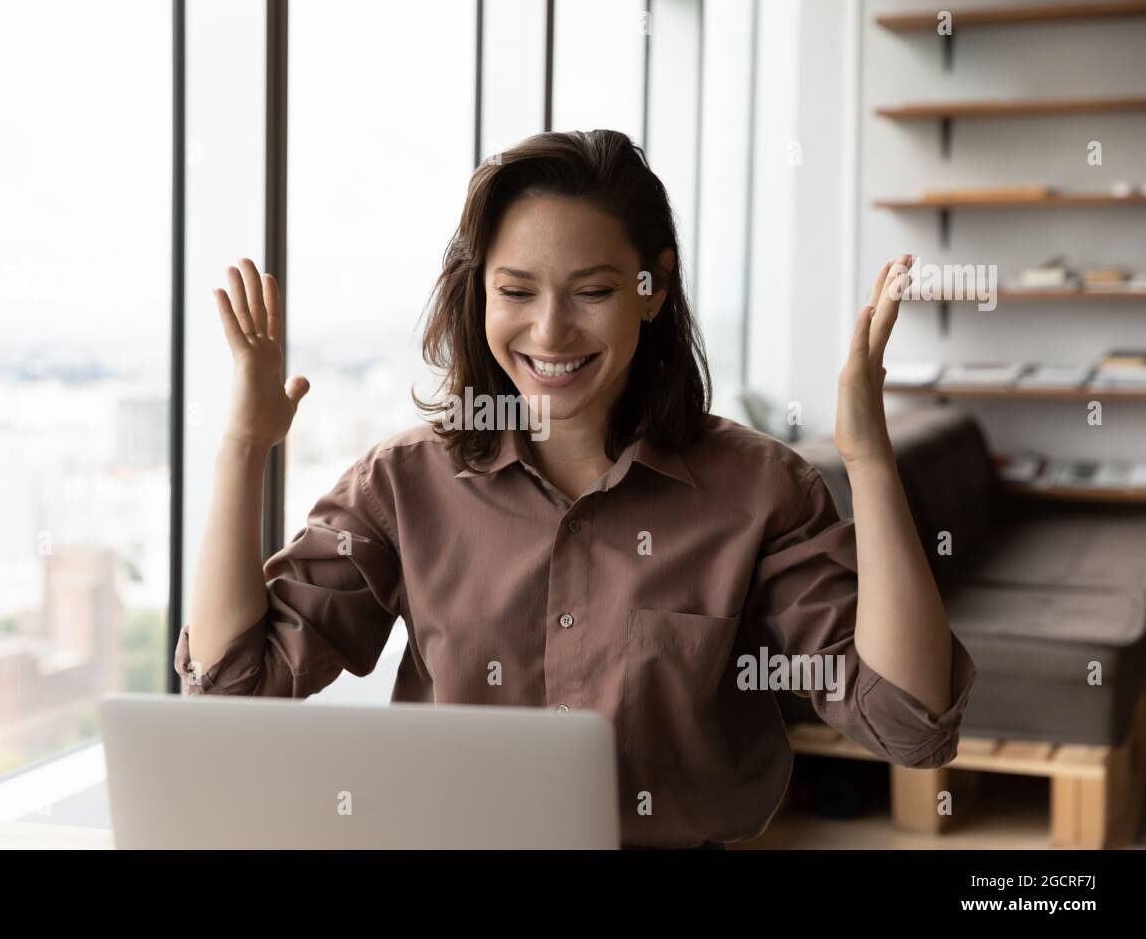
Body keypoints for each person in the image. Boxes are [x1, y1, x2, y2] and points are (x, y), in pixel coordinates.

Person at [176, 129, 976, 849]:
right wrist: (243, 447)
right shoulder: (403, 484)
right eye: (516, 292)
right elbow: (236, 686)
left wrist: (869, 458)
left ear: (652, 290)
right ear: (478, 292)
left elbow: (907, 724)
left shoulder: (761, 490)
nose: (550, 332)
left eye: (592, 292)